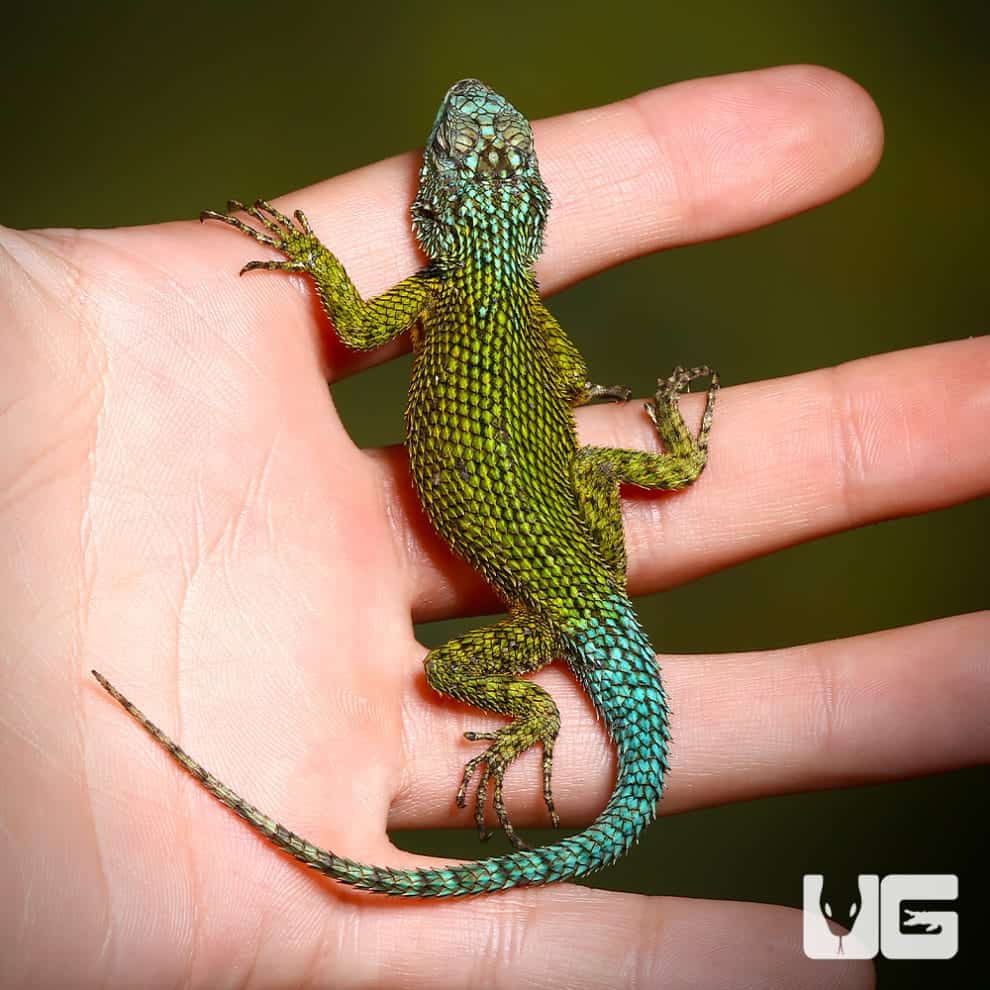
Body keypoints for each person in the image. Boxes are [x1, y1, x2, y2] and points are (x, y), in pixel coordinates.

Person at [2, 64, 985, 989]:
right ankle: (664, 483)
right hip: (581, 565)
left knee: (442, 673)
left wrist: (311, 256)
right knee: (583, 479)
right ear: (532, 219)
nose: (462, 114)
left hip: (565, 590)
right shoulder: (523, 306)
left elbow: (352, 326)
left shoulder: (434, 290)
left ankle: (539, 713)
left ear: (433, 212)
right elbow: (564, 383)